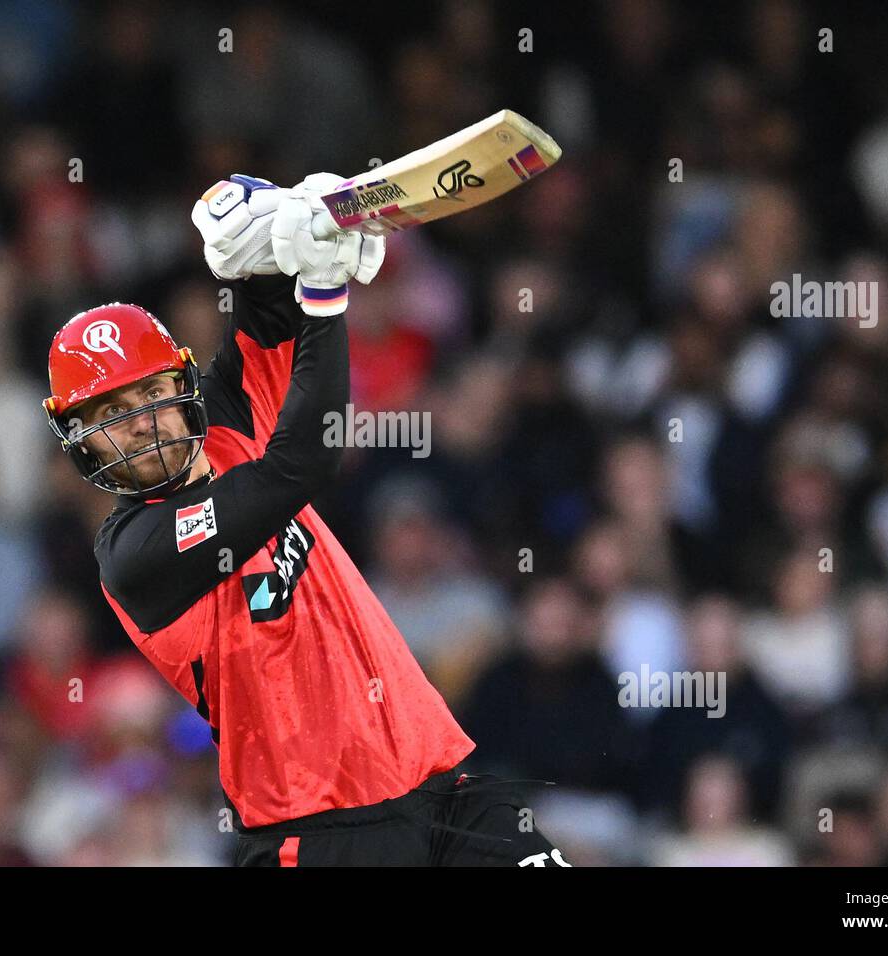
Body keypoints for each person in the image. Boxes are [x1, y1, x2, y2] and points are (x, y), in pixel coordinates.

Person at [42, 174, 569, 866]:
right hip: (317, 836)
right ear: (78, 440)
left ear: (183, 386)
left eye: (150, 396)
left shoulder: (226, 418)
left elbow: (266, 317)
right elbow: (302, 464)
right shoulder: (135, 552)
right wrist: (324, 293)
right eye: (110, 415)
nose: (141, 426)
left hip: (444, 789)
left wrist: (277, 225)